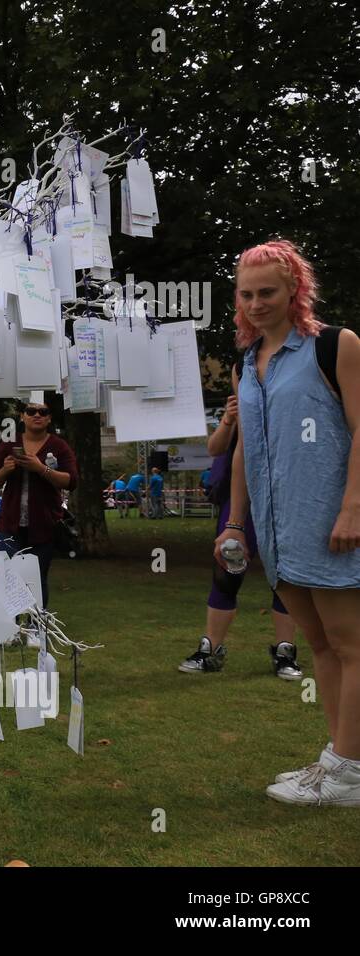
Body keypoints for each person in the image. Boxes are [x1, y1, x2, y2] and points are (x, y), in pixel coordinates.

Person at [214, 239, 360, 806]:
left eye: (267, 292)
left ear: (295, 288)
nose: (255, 303)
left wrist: (353, 505)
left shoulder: (335, 345)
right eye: (246, 294)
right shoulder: (245, 366)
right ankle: (339, 760)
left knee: (352, 644)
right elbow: (247, 448)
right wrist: (234, 523)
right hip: (279, 534)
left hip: (332, 523)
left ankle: (349, 772)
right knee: (320, 645)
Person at [180, 378, 301, 679]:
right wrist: (229, 419)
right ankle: (211, 650)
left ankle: (285, 652)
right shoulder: (239, 410)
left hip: (284, 501)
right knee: (226, 574)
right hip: (239, 505)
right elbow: (215, 448)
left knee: (284, 578)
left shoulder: (290, 406)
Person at [0, 400, 79, 608]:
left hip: (44, 526)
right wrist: (5, 470)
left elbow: (71, 481)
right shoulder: (9, 445)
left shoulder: (58, 446)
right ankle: (12, 628)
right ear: (22, 417)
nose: (37, 415)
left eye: (43, 411)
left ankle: (36, 629)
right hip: (10, 525)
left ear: (49, 418)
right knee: (8, 578)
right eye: (31, 411)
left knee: (37, 579)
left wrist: (41, 469)